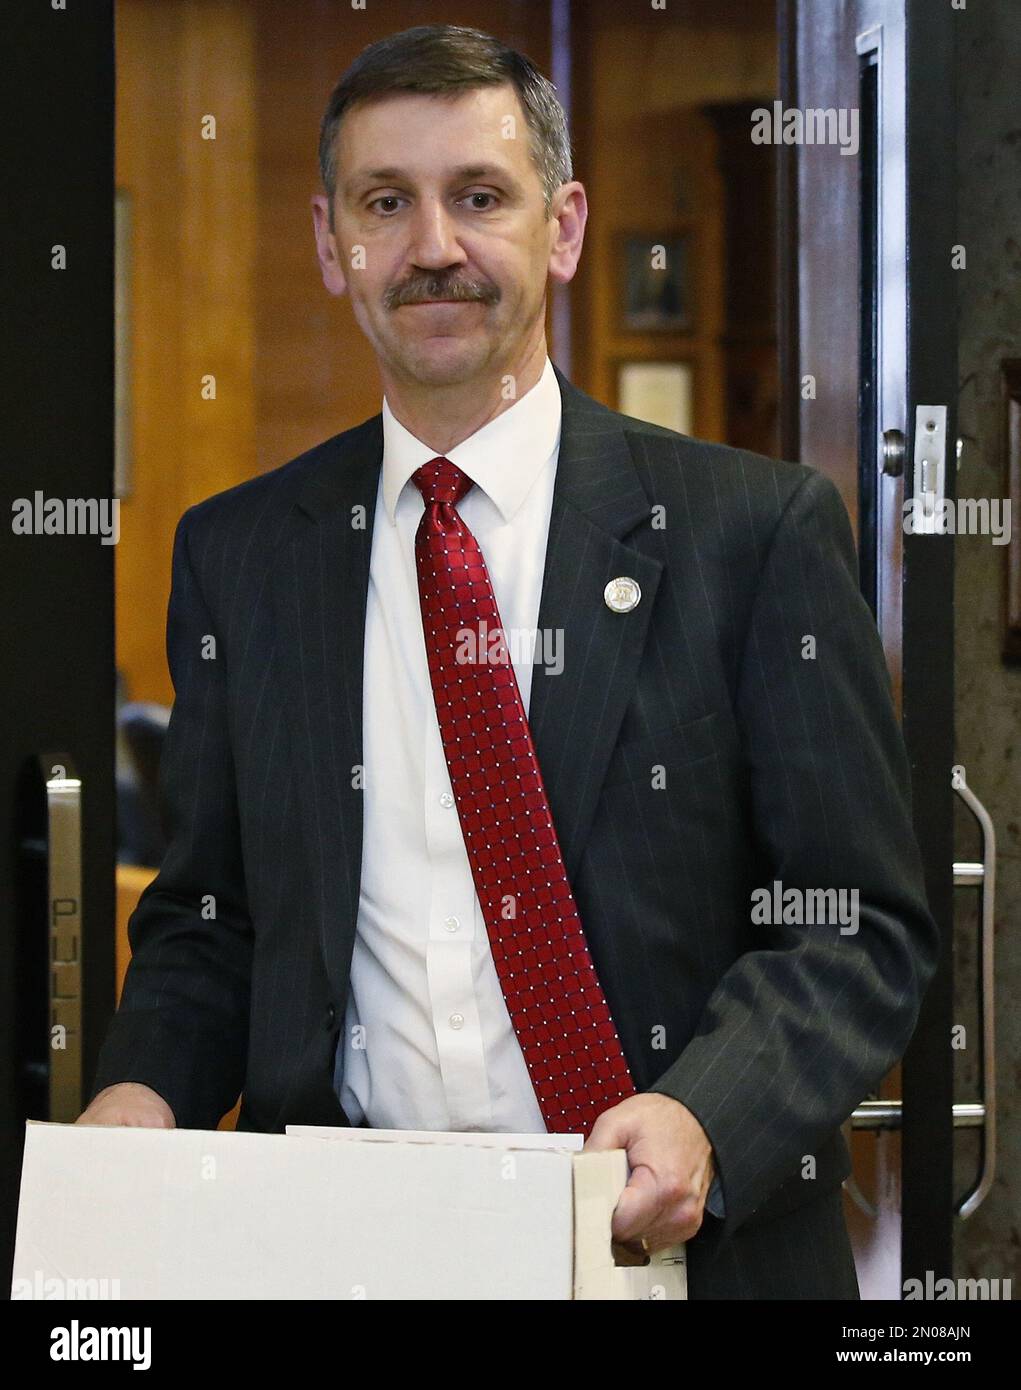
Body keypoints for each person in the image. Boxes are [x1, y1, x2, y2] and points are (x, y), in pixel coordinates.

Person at [79, 23, 940, 1299]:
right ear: (331, 243)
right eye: (387, 203)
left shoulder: (749, 535)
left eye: (478, 197)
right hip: (335, 1247)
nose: (433, 246)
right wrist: (143, 1095)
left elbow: (859, 923)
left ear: (566, 226)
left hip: (667, 1248)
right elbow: (214, 920)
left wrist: (704, 1112)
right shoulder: (241, 555)